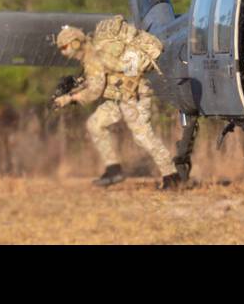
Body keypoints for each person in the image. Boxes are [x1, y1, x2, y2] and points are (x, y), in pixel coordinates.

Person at [53, 17, 182, 189]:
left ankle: (171, 176)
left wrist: (70, 99)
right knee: (95, 124)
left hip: (134, 97)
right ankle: (113, 170)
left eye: (64, 47)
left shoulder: (93, 56)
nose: (63, 52)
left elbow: (95, 91)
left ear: (75, 43)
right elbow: (100, 82)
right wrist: (75, 90)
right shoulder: (93, 55)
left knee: (142, 136)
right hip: (121, 98)